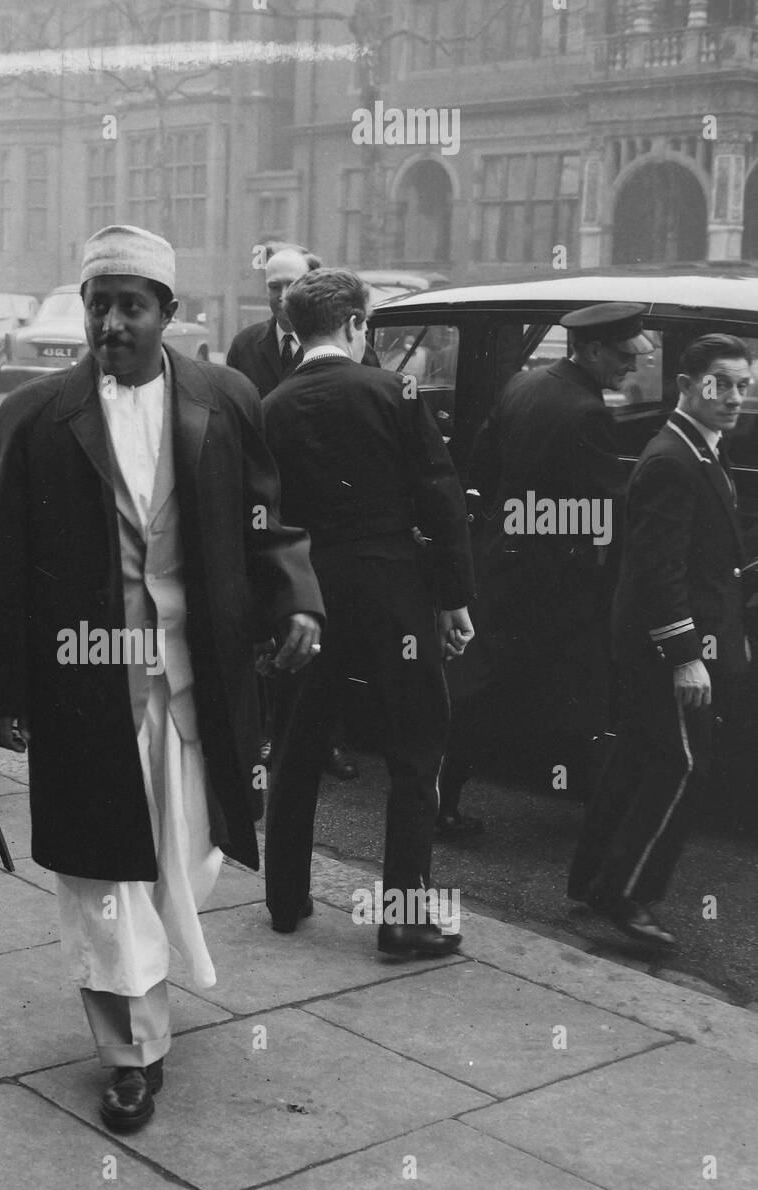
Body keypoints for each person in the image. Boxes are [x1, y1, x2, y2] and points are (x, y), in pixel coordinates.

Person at [0, 224, 323, 1133]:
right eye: (98, 305)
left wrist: (296, 600)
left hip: (195, 676)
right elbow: (5, 563)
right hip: (85, 686)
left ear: (169, 313)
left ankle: (150, 981)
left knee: (187, 853)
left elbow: (266, 521)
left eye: (131, 306)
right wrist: (5, 691)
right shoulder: (33, 418)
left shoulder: (225, 397)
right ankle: (130, 1051)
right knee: (103, 873)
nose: (111, 323)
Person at [261, 267, 474, 957]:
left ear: (294, 330)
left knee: (297, 743)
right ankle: (403, 916)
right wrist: (451, 597)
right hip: (393, 595)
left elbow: (261, 517)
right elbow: (438, 497)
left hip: (308, 598)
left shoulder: (272, 405)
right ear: (355, 325)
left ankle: (286, 899)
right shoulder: (391, 392)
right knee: (414, 749)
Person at [568, 334, 756, 948]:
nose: (734, 397)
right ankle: (631, 893)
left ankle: (594, 878)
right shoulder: (673, 459)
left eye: (743, 385)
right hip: (666, 645)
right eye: (721, 383)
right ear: (687, 384)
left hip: (682, 634)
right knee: (683, 765)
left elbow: (704, 562)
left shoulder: (700, 450)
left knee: (637, 757)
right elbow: (656, 571)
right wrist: (685, 657)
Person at [438, 303, 654, 834]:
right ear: (595, 349)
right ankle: (607, 824)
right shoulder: (587, 412)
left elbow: (484, 464)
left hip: (506, 565)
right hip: (556, 581)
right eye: (625, 356)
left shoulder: (526, 383)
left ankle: (440, 797)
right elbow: (607, 509)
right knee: (586, 691)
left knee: (483, 687)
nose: (632, 367)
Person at [227, 243, 359, 782]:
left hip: (320, 510)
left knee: (321, 626)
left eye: (290, 286)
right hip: (264, 507)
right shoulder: (246, 346)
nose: (280, 297)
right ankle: (263, 735)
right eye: (272, 287)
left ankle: (325, 740)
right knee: (265, 621)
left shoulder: (348, 347)